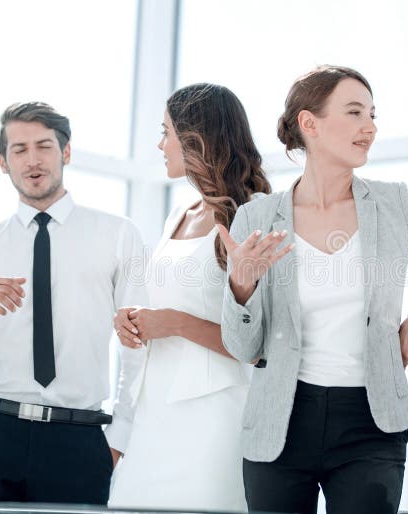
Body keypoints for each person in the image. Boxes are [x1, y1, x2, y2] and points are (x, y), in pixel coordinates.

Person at [217, 65, 408, 514]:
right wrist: (241, 286)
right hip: (279, 424)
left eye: (373, 114)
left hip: (370, 422)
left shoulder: (394, 204)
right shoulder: (256, 218)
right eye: (355, 112)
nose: (371, 127)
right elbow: (242, 345)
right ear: (310, 124)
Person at [0, 102, 148, 504]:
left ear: (65, 153)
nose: (32, 160)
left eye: (44, 146)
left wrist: (119, 436)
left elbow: (138, 344)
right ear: (3, 161)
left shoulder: (118, 235)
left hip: (78, 439)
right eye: (18, 149)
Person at [108, 83, 271, 512]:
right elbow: (160, 300)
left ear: (197, 138)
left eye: (166, 132)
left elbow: (261, 347)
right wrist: (132, 320)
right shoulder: (179, 214)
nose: (160, 144)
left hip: (212, 418)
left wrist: (174, 323)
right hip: (152, 413)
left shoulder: (254, 214)